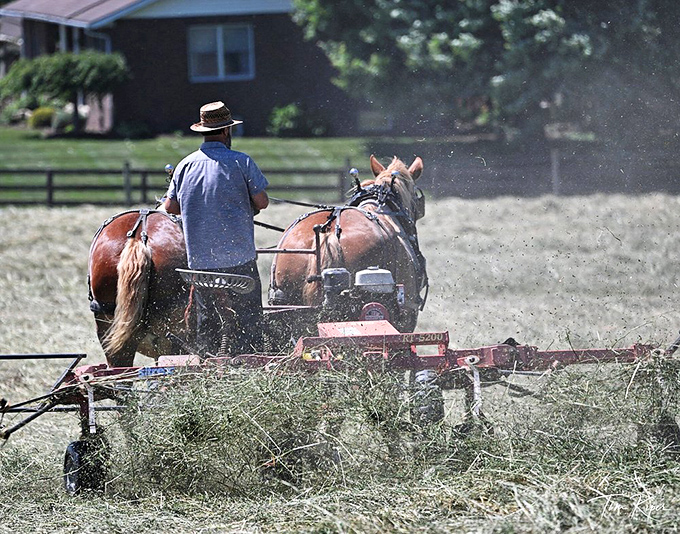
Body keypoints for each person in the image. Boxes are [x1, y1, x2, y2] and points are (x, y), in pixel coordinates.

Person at [163, 101, 269, 355]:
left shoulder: (185, 165)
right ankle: (249, 357)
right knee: (249, 318)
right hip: (239, 260)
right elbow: (262, 202)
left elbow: (169, 207)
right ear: (226, 131)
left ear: (202, 131)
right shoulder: (241, 162)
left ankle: (208, 361)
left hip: (201, 263)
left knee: (206, 318)